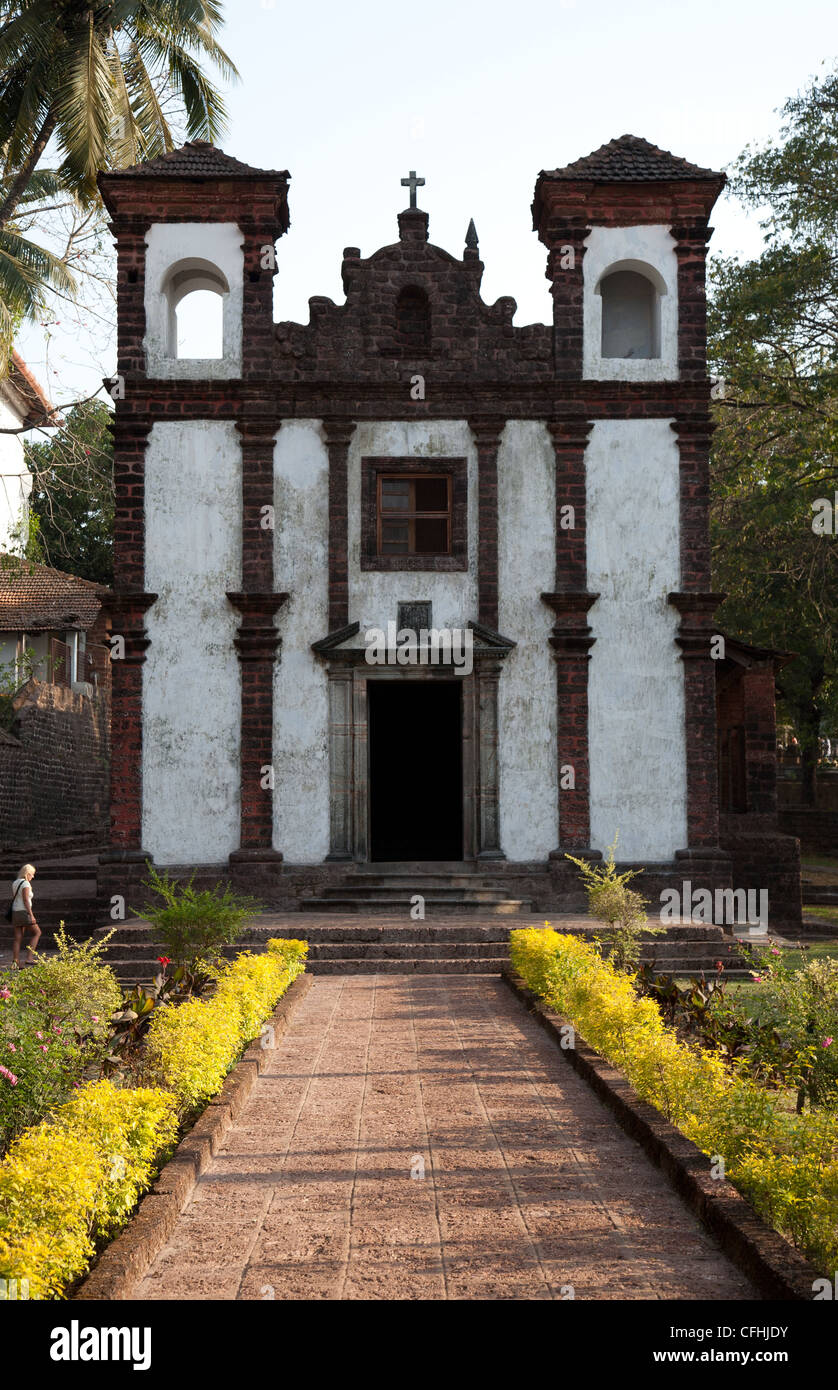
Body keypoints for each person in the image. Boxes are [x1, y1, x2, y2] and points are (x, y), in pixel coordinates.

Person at [10, 864, 40, 969]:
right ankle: (29, 958)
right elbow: (26, 900)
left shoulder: (15, 883)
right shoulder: (25, 884)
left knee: (17, 938)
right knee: (37, 932)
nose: (33, 876)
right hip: (24, 912)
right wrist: (31, 915)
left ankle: (15, 962)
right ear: (27, 874)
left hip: (15, 912)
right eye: (32, 874)